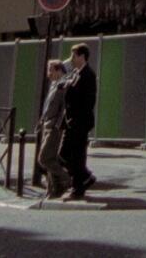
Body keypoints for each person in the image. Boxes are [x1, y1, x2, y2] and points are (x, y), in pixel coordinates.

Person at [61, 43, 97, 199]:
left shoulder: (88, 75)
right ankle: (85, 176)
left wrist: (76, 119)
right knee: (64, 154)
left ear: (82, 56)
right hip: (71, 121)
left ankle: (78, 188)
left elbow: (88, 100)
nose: (72, 59)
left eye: (74, 56)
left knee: (77, 154)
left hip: (80, 121)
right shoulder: (76, 72)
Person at [35, 60, 71, 197]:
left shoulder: (63, 85)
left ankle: (66, 178)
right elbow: (48, 106)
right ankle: (52, 189)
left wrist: (57, 124)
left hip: (54, 126)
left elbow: (63, 107)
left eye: (51, 70)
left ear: (59, 71)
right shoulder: (54, 84)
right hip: (47, 123)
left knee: (44, 158)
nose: (48, 74)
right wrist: (41, 121)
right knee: (50, 158)